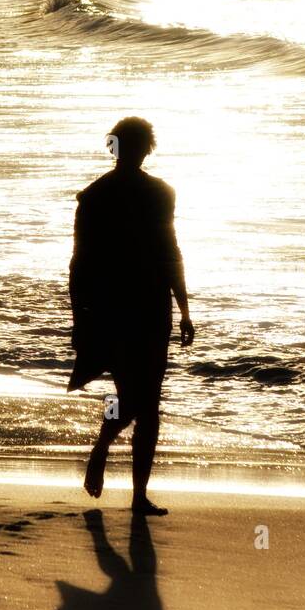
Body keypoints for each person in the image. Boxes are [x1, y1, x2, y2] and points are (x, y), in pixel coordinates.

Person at [67, 117, 193, 516]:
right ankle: (105, 449)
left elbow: (169, 249)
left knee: (144, 402)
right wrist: (82, 317)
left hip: (135, 307)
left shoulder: (110, 196)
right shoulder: (100, 197)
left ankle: (137, 493)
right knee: (138, 399)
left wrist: (185, 308)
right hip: (128, 307)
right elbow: (82, 260)